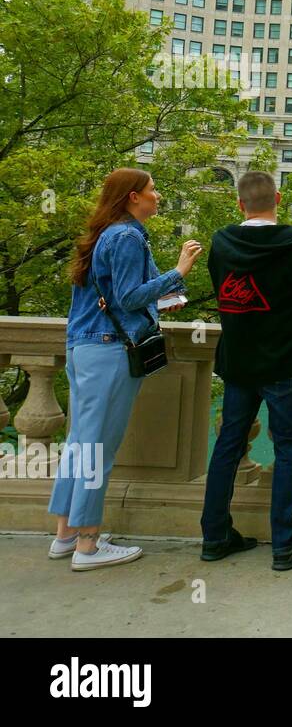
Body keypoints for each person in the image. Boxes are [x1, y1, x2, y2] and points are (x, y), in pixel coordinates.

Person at [52, 168, 202, 571]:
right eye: (153, 190)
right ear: (133, 197)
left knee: (82, 444)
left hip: (84, 347)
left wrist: (165, 296)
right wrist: (179, 271)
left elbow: (111, 295)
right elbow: (128, 297)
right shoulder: (127, 236)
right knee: (98, 447)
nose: (158, 195)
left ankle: (66, 534)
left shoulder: (105, 234)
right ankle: (88, 545)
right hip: (109, 350)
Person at [200, 171, 292, 571]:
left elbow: (220, 288)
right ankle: (284, 544)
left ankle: (214, 537)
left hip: (238, 363)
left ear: (239, 203)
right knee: (288, 448)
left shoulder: (222, 242)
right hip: (284, 362)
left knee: (227, 446)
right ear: (277, 198)